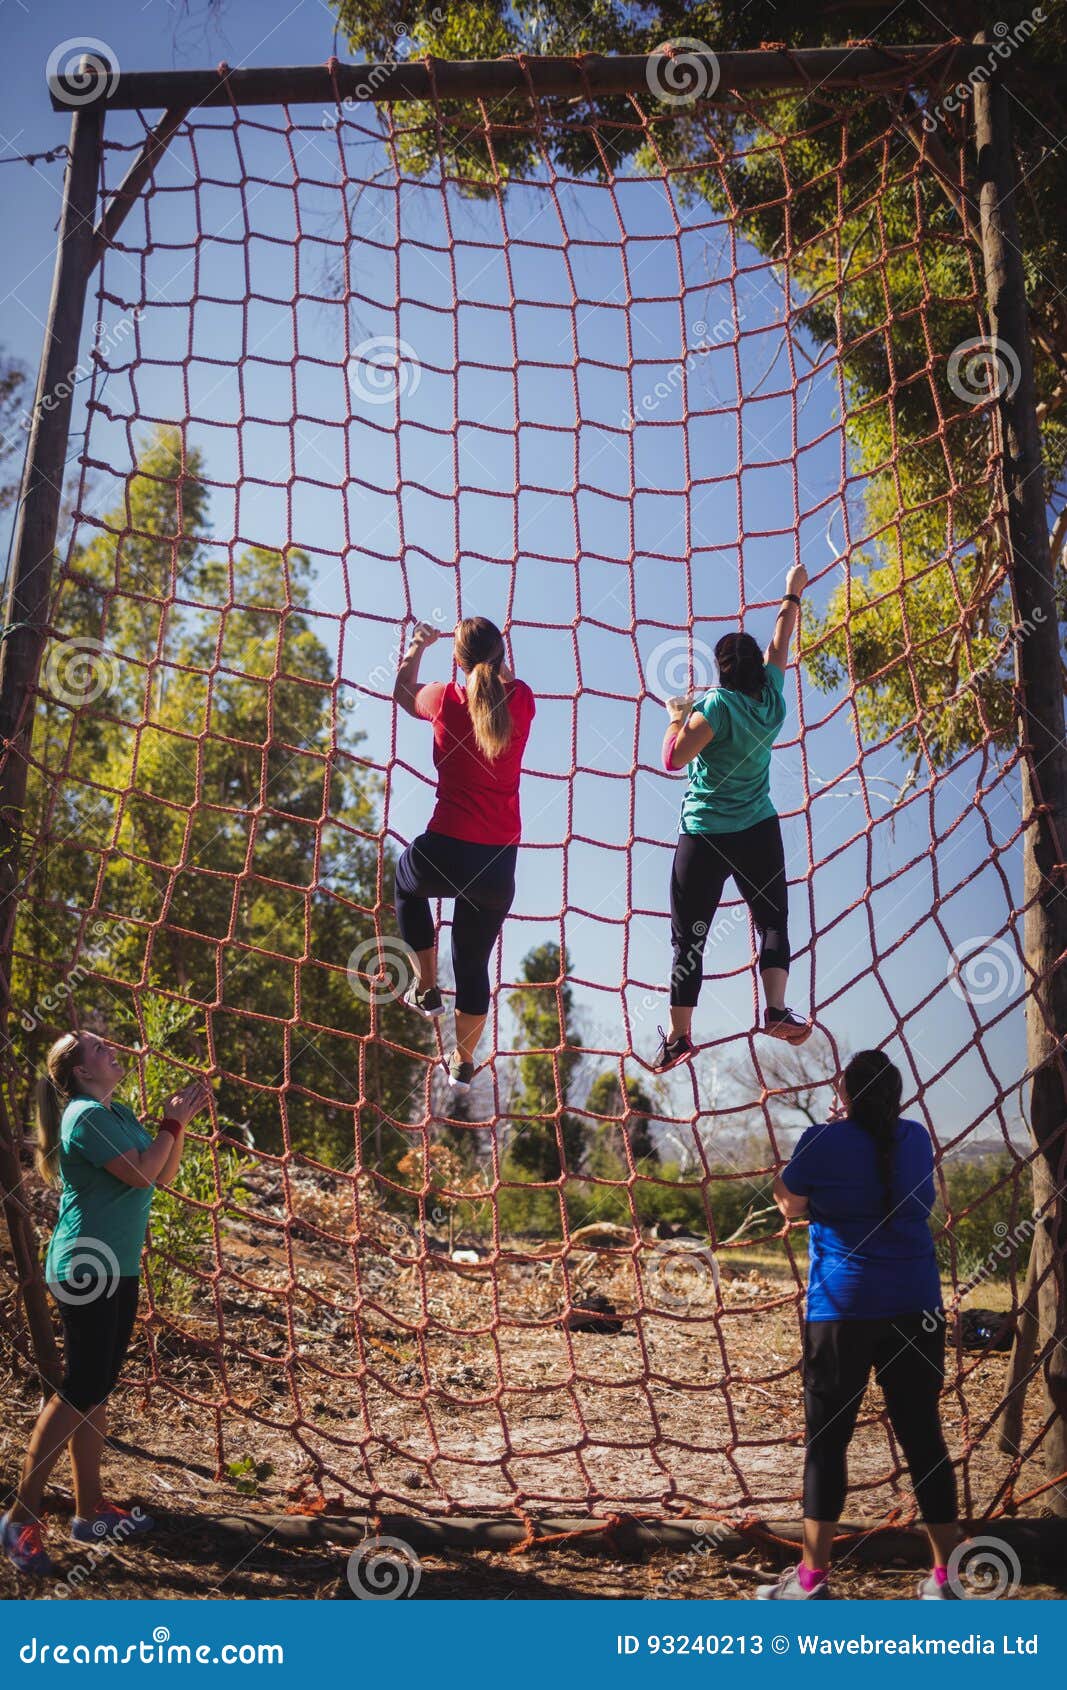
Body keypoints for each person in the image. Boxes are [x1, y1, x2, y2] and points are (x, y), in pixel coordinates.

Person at [1, 1030, 211, 1577]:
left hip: (118, 1266)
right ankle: (20, 1514)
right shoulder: (83, 1116)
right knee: (81, 1388)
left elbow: (159, 1174)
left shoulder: (115, 1113)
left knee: (97, 1388)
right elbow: (141, 1170)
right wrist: (169, 1125)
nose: (109, 1047)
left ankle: (90, 1509)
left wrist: (177, 1125)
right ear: (79, 1072)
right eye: (96, 1047)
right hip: (85, 1265)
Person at [757, 1049, 963, 1601]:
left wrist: (827, 1134)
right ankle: (946, 1580)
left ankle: (811, 1580)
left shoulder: (821, 1141)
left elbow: (789, 1205)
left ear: (845, 1095)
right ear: (897, 1097)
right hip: (916, 1307)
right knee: (924, 1436)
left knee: (827, 1443)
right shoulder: (916, 1138)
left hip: (842, 1312)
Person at [651, 565, 810, 1073]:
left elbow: (673, 760)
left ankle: (679, 1038)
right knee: (774, 922)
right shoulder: (773, 701)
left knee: (690, 937)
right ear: (757, 673)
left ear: (720, 673)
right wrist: (792, 591)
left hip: (704, 835)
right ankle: (777, 1010)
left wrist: (677, 713)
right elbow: (781, 641)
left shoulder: (715, 707)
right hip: (757, 831)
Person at [393, 616, 535, 1094]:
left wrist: (417, 645)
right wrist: (494, 656)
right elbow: (505, 679)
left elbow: (401, 690)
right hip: (498, 865)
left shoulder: (443, 699)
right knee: (472, 964)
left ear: (457, 662)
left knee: (404, 880)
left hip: (446, 850)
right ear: (500, 658)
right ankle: (463, 1060)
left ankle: (427, 985)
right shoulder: (523, 701)